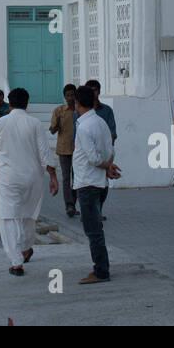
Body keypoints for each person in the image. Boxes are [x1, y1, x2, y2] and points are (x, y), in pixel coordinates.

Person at [0, 87, 58, 276]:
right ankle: (25, 248)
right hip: (33, 178)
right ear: (27, 104)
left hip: (9, 178)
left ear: (10, 103)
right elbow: (45, 152)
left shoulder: (0, 123)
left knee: (8, 216)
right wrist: (53, 176)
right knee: (28, 215)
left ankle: (16, 261)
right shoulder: (34, 123)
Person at [72, 85, 118, 284]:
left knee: (93, 230)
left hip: (87, 182)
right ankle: (101, 267)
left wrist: (106, 165)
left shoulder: (84, 126)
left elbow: (92, 158)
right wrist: (108, 166)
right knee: (95, 227)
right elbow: (110, 151)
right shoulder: (100, 122)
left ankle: (101, 270)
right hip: (99, 182)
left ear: (78, 103)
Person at [84, 79, 115, 216]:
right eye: (89, 91)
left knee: (103, 183)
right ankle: (89, 212)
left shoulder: (106, 111)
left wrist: (110, 154)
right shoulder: (80, 112)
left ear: (99, 91)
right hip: (86, 154)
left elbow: (112, 133)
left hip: (103, 153)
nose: (93, 93)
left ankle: (98, 210)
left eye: (95, 90)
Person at [50, 83, 79, 218]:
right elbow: (52, 131)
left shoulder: (80, 110)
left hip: (79, 149)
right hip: (64, 149)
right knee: (67, 178)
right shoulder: (59, 111)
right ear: (64, 97)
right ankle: (69, 205)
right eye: (68, 96)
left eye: (72, 95)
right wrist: (56, 123)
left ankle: (74, 202)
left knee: (77, 178)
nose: (70, 98)